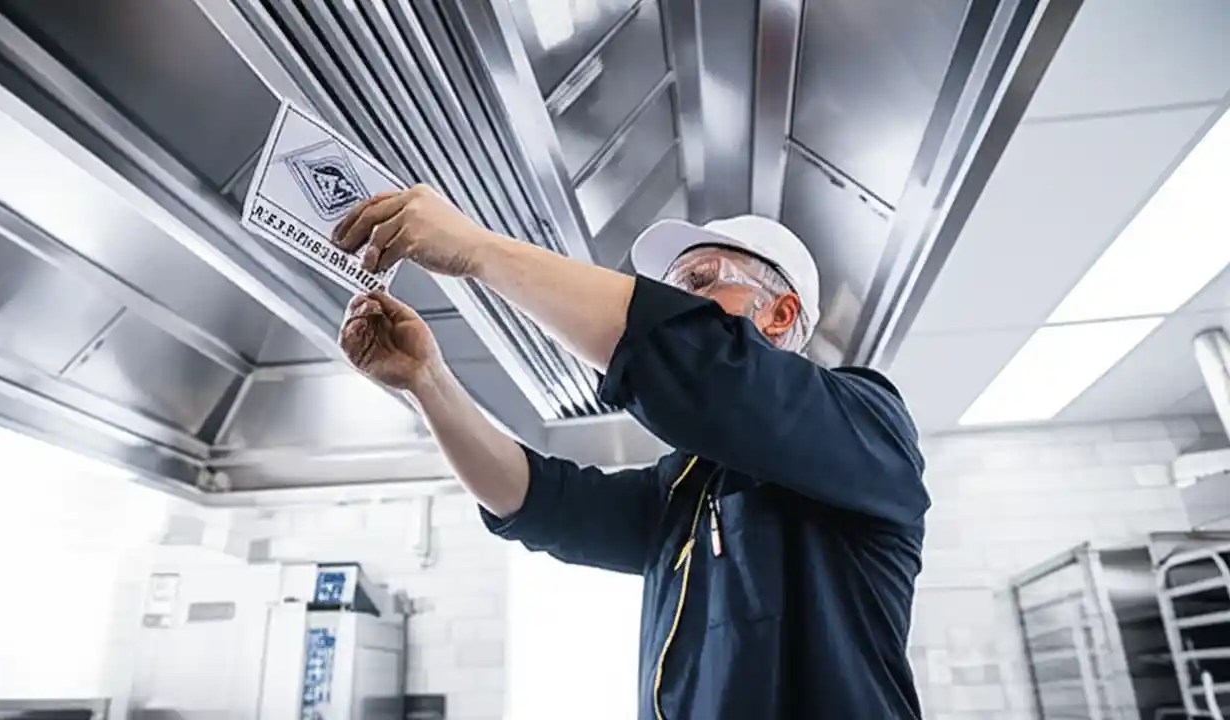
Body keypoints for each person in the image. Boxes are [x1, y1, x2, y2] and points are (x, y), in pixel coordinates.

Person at [333, 184, 930, 719]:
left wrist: (476, 249)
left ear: (780, 314)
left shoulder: (865, 422)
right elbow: (543, 503)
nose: (678, 307)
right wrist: (427, 383)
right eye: (670, 295)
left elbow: (701, 367)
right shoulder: (685, 487)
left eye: (697, 287)